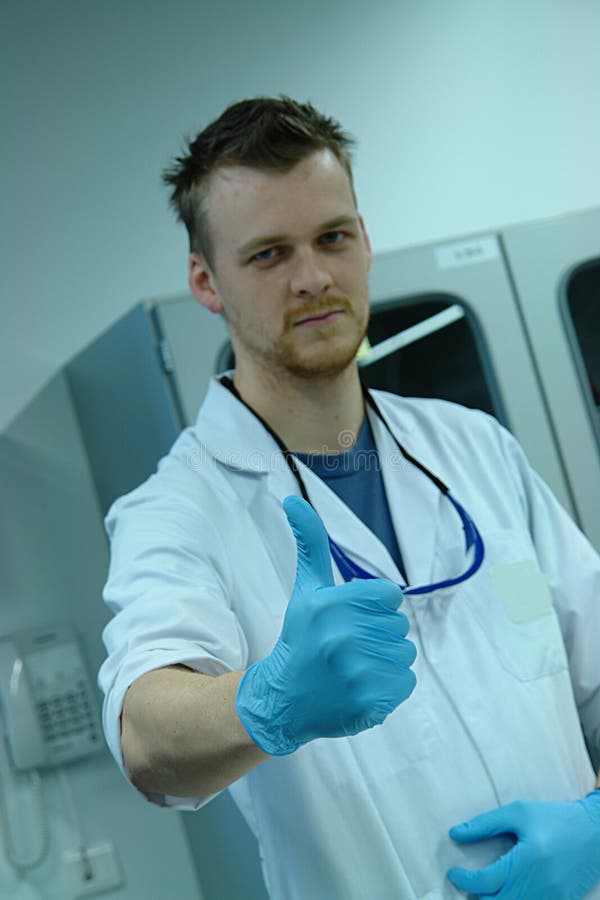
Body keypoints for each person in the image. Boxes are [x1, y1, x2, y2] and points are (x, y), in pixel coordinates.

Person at [98, 96, 600, 900]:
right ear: (207, 281)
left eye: (332, 237)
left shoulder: (475, 450)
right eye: (267, 254)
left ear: (365, 240)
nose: (312, 278)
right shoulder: (177, 511)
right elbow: (148, 735)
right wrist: (266, 700)